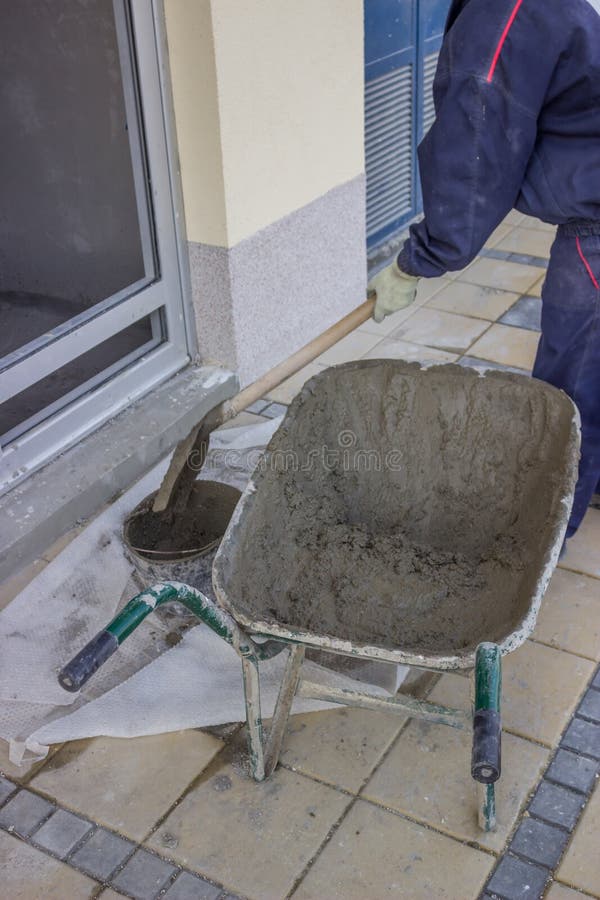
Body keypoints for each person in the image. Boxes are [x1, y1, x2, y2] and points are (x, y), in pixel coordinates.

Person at [369, 0, 600, 541]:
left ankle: (537, 541)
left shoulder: (508, 12)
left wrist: (415, 262)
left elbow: (475, 153)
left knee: (570, 394)